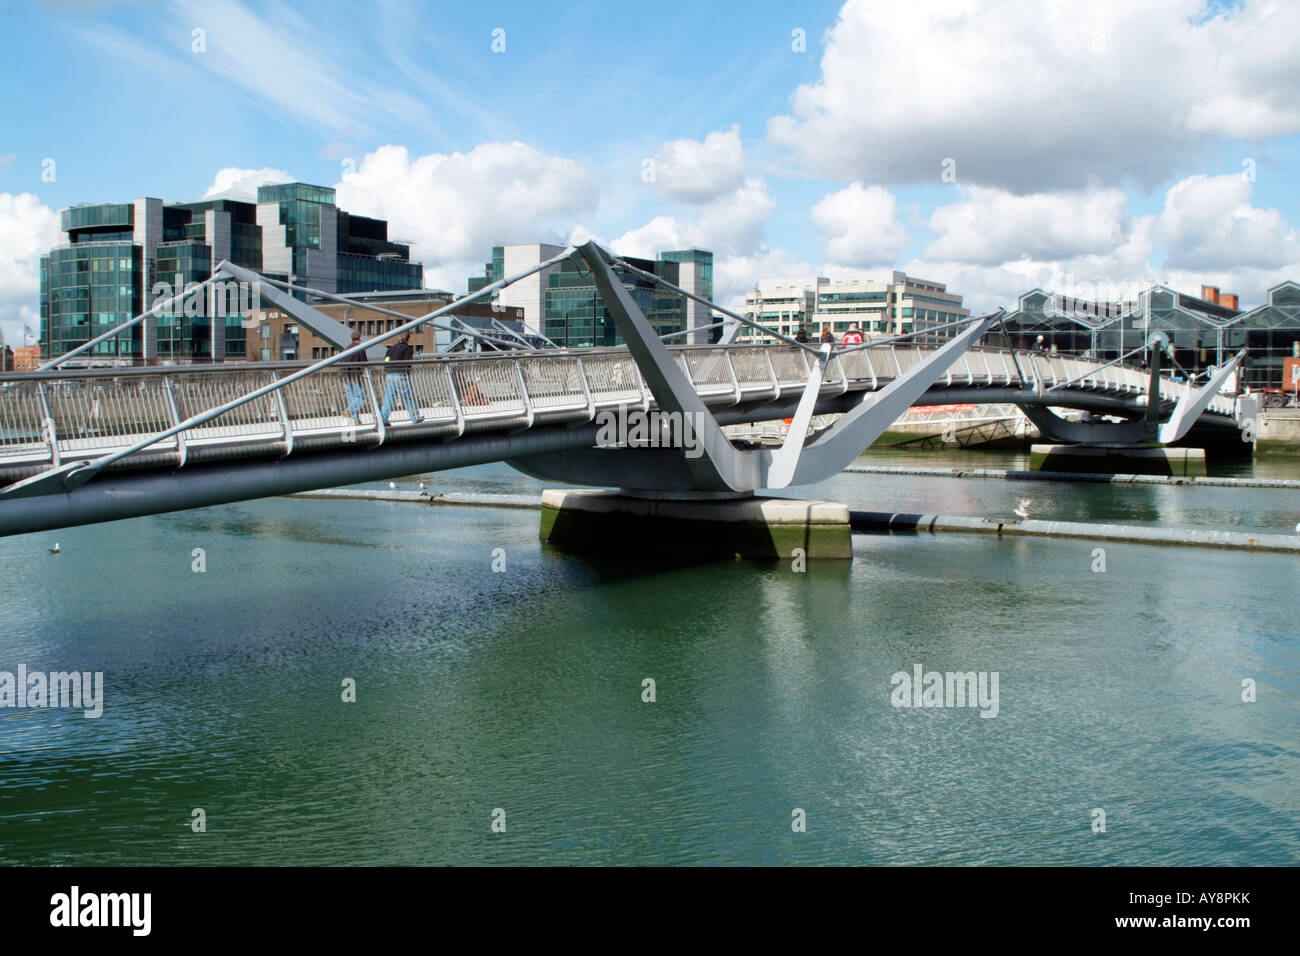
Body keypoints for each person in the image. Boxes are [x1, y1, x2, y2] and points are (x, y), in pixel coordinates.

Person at [380, 331, 423, 426]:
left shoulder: (391, 348)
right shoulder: (407, 348)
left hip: (390, 374)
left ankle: (382, 419)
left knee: (389, 397)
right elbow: (408, 363)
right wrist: (407, 373)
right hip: (400, 374)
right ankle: (415, 417)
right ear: (409, 339)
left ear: (399, 337)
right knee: (408, 396)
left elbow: (386, 360)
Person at [340, 329, 368, 424]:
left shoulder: (346, 349)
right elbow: (364, 362)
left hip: (345, 375)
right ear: (360, 338)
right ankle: (348, 411)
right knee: (361, 397)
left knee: (352, 398)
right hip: (355, 376)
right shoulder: (360, 348)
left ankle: (355, 420)